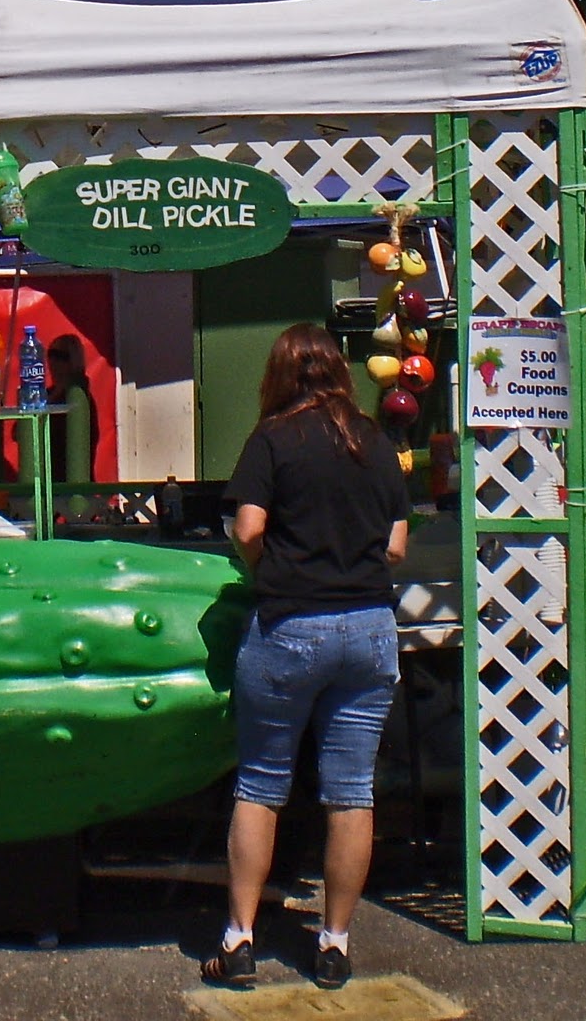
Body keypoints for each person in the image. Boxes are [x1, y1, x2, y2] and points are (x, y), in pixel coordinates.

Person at [204, 323, 408, 993]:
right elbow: (396, 548)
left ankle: (238, 940)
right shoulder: (374, 440)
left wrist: (270, 569)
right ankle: (334, 942)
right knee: (349, 793)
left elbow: (249, 528)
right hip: (369, 628)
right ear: (340, 375)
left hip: (291, 625)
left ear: (279, 376)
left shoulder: (271, 438)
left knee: (261, 785)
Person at [46, 333, 99, 484]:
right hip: (47, 483)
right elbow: (18, 432)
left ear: (74, 360)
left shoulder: (80, 397)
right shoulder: (46, 394)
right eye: (51, 354)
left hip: (71, 485)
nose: (53, 361)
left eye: (60, 356)